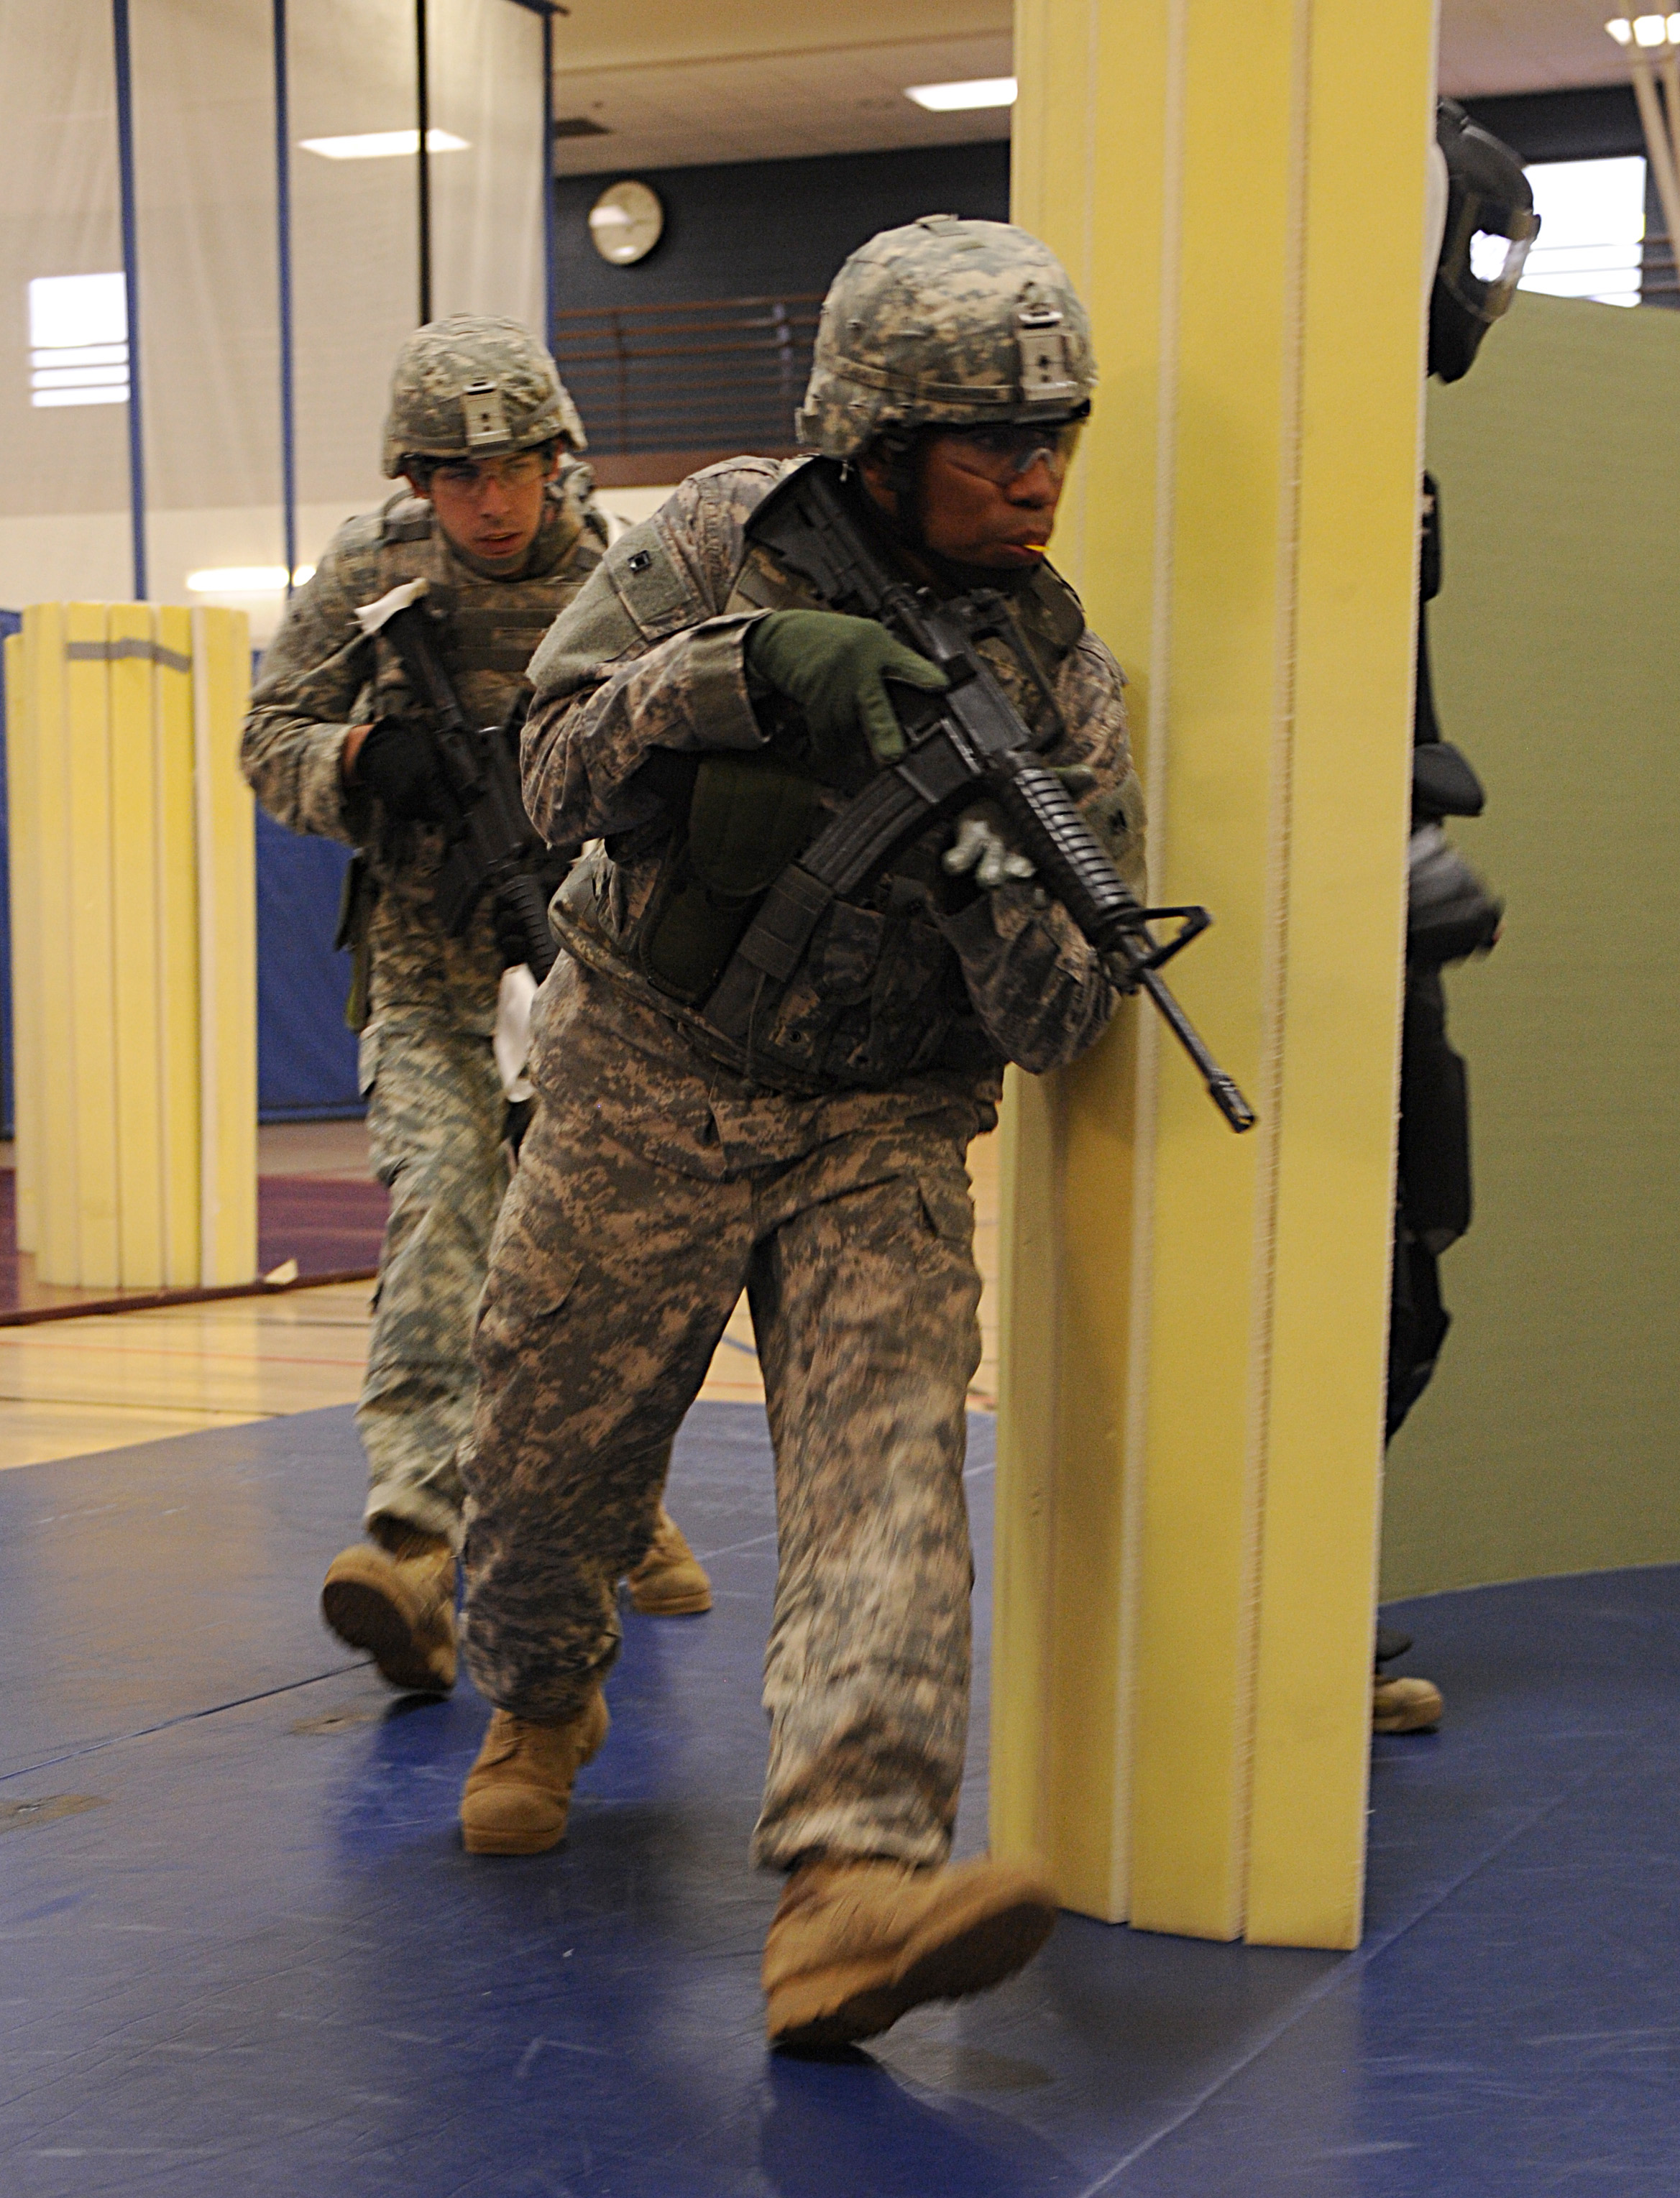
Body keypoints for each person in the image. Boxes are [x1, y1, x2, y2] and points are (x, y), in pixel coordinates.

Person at [450, 217, 1146, 2050]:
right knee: (541, 1459)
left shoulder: (1057, 679)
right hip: (644, 1071)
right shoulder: (709, 542)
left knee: (892, 1478)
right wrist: (744, 674)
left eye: (1058, 429)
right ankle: (540, 1690)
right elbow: (544, 775)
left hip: (883, 1119)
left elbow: (1063, 1010)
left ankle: (853, 1883)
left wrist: (979, 846)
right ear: (877, 437)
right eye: (994, 438)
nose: (1036, 468)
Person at [241, 315, 712, 1700]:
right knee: (446, 1199)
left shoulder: (631, 577)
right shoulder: (372, 572)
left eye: (513, 468)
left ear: (560, 460)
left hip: (604, 972)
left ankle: (624, 1502)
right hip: (431, 974)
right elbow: (268, 736)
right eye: (455, 475)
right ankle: (411, 1536)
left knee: (608, 1268)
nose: (489, 501)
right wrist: (362, 760)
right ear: (417, 479)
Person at [1374, 102, 1535, 1733]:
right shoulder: (1312, 443)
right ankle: (1266, 1628)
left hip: (1391, 936)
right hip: (1287, 958)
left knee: (1407, 1293)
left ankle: (1303, 1605)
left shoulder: (1385, 448)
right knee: (1343, 1299)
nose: (1477, 288)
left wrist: (1409, 838)